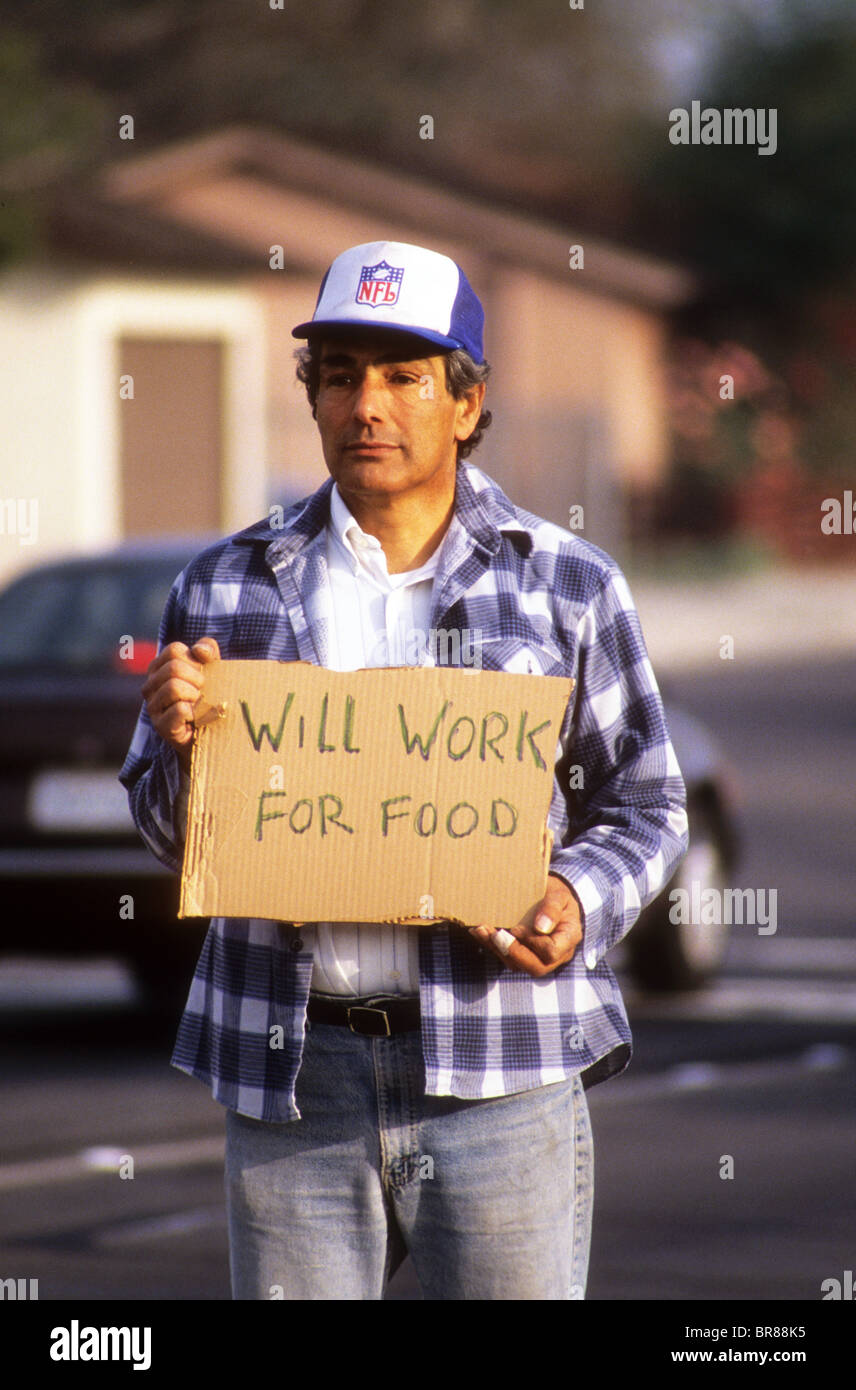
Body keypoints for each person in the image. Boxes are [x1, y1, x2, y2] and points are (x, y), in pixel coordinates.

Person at [120, 239, 688, 1301]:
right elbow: (164, 829)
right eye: (339, 375)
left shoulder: (565, 582)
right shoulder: (224, 585)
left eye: (403, 376)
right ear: (313, 397)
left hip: (500, 1073)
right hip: (294, 1077)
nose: (366, 405)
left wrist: (575, 893)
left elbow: (647, 800)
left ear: (467, 404)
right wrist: (185, 747)